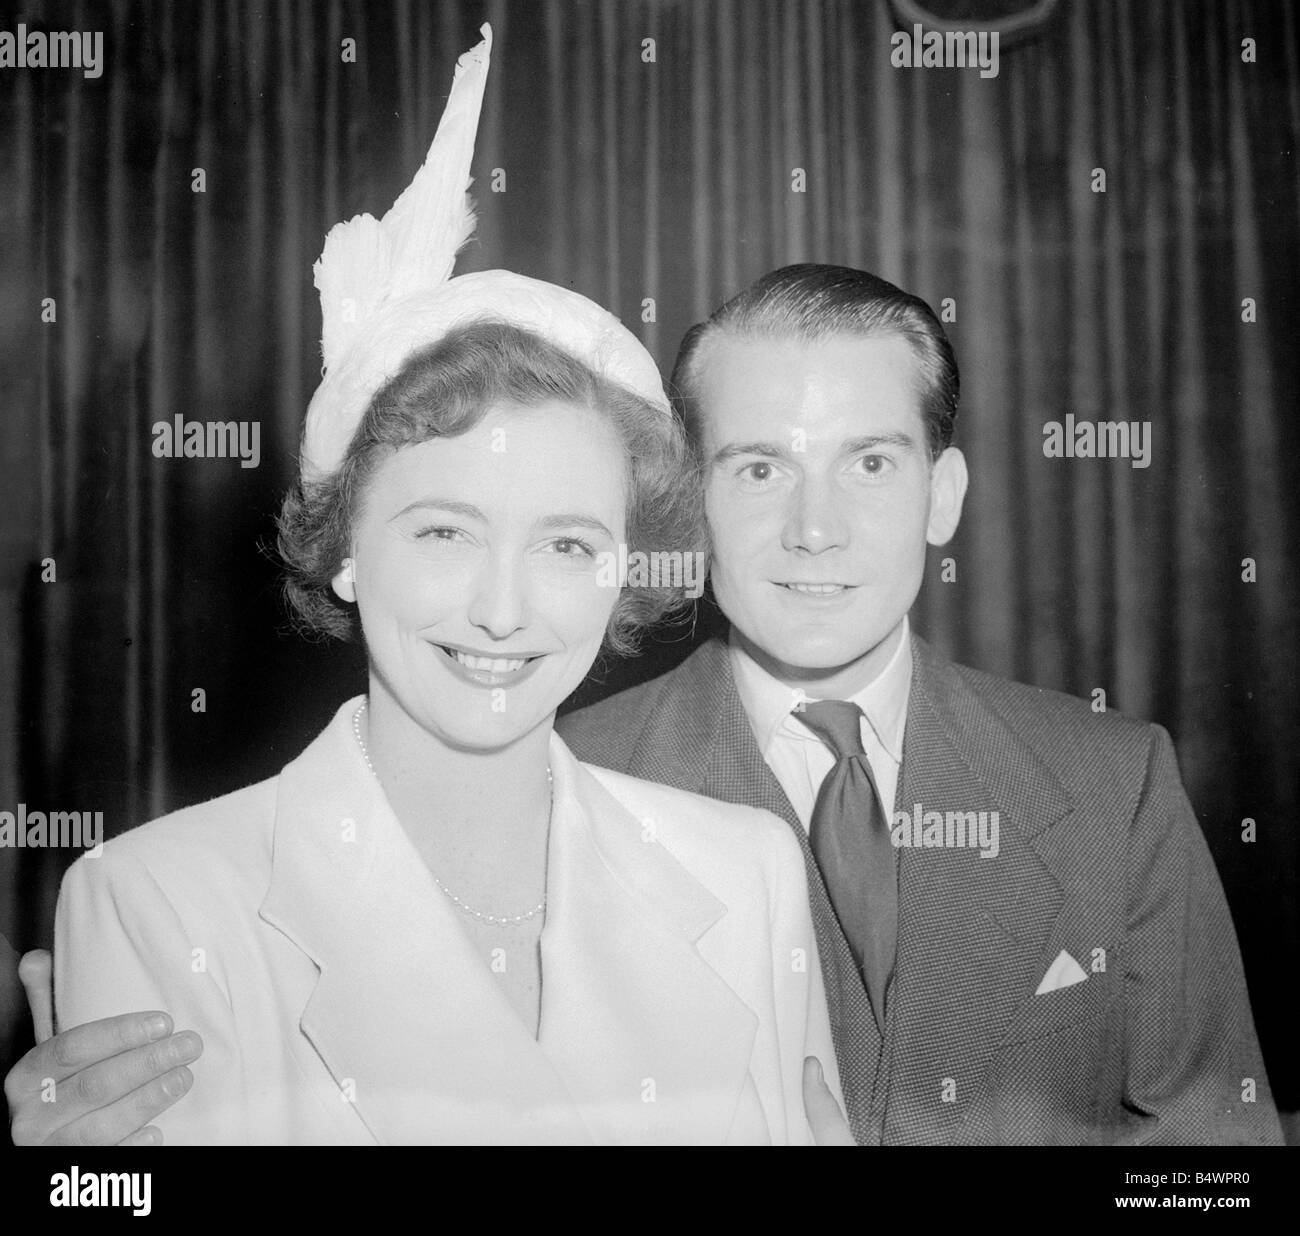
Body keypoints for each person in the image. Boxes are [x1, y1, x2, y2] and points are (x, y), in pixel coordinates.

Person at [4, 28, 845, 1147]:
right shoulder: (160, 903)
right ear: (346, 545)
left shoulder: (746, 872)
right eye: (445, 531)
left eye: (564, 545)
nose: (505, 610)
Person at [558, 263, 1284, 1145]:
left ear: (941, 497)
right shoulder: (567, 787)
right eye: (759, 469)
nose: (814, 528)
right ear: (692, 505)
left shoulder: (1114, 784)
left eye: (868, 462)